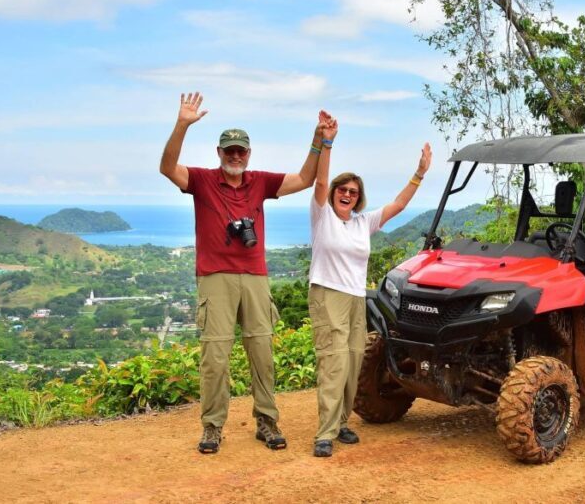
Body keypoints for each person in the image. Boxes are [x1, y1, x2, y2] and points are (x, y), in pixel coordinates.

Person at [159, 92, 337, 454]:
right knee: (215, 358)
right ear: (219, 153)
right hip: (215, 276)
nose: (235, 156)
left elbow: (305, 178)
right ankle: (212, 427)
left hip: (255, 275)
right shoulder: (203, 180)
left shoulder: (260, 181)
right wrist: (182, 125)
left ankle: (267, 422)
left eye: (241, 150)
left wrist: (319, 140)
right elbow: (167, 168)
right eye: (229, 151)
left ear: (249, 154)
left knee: (262, 353)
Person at [308, 129, 431, 458]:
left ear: (358, 197)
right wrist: (327, 143)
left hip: (355, 298)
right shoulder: (322, 217)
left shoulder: (363, 223)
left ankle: (342, 422)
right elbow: (319, 183)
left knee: (352, 361)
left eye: (353, 191)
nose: (347, 194)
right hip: (327, 294)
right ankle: (325, 432)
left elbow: (399, 205)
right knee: (333, 362)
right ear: (334, 193)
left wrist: (419, 173)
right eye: (343, 189)